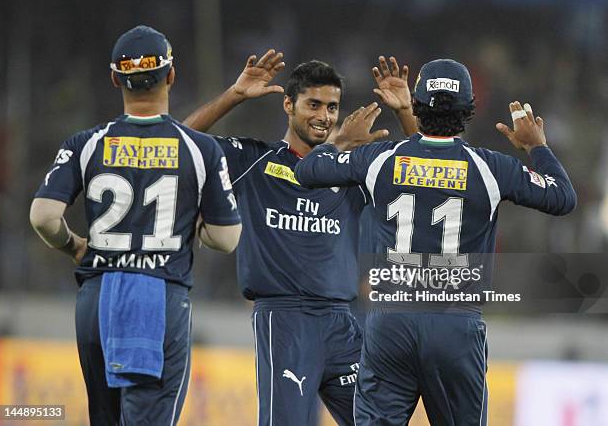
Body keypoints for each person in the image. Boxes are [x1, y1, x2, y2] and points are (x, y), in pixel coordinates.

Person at [294, 59, 576, 425]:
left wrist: (341, 141)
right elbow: (562, 198)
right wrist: (536, 147)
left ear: (418, 105)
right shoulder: (491, 168)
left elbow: (308, 171)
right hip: (455, 325)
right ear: (469, 111)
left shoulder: (379, 159)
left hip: (390, 322)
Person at [183, 53, 416, 425]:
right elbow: (177, 143)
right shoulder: (254, 161)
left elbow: (426, 169)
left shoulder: (353, 169)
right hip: (285, 319)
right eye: (314, 105)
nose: (324, 116)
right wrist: (235, 95)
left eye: (332, 107)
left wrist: (406, 111)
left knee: (382, 420)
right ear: (288, 105)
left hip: (343, 323)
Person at [29, 25, 241, 425]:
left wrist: (74, 244)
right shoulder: (201, 149)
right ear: (172, 75)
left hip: (97, 295)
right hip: (156, 300)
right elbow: (228, 239)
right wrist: (190, 225)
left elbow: (42, 216)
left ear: (115, 79)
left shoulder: (85, 143)